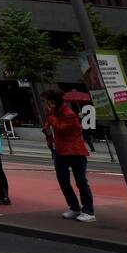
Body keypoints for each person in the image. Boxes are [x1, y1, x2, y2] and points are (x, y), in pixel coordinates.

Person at [42, 88, 94, 223]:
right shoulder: (53, 114)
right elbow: (48, 127)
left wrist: (51, 117)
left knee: (81, 181)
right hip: (60, 151)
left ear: (54, 102)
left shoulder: (69, 114)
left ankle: (88, 211)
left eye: (48, 102)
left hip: (74, 151)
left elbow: (60, 128)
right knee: (63, 181)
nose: (46, 105)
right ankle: (74, 207)